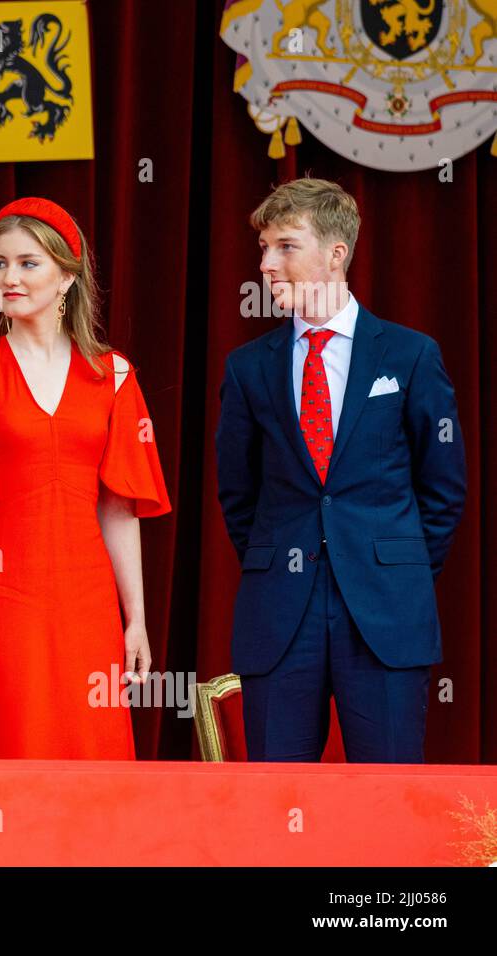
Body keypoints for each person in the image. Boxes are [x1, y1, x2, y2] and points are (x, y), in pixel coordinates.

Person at [0, 197, 171, 759]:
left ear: (67, 275)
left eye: (27, 263)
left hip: (86, 605)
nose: (8, 277)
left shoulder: (114, 376)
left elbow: (119, 508)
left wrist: (135, 619)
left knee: (88, 758)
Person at [216, 177, 466, 762]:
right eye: (263, 248)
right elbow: (237, 495)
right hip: (279, 616)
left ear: (336, 253)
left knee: (388, 802)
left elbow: (444, 487)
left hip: (386, 612)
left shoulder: (410, 355)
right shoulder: (249, 368)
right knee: (277, 809)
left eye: (285, 246)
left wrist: (395, 570)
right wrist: (280, 562)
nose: (266, 264)